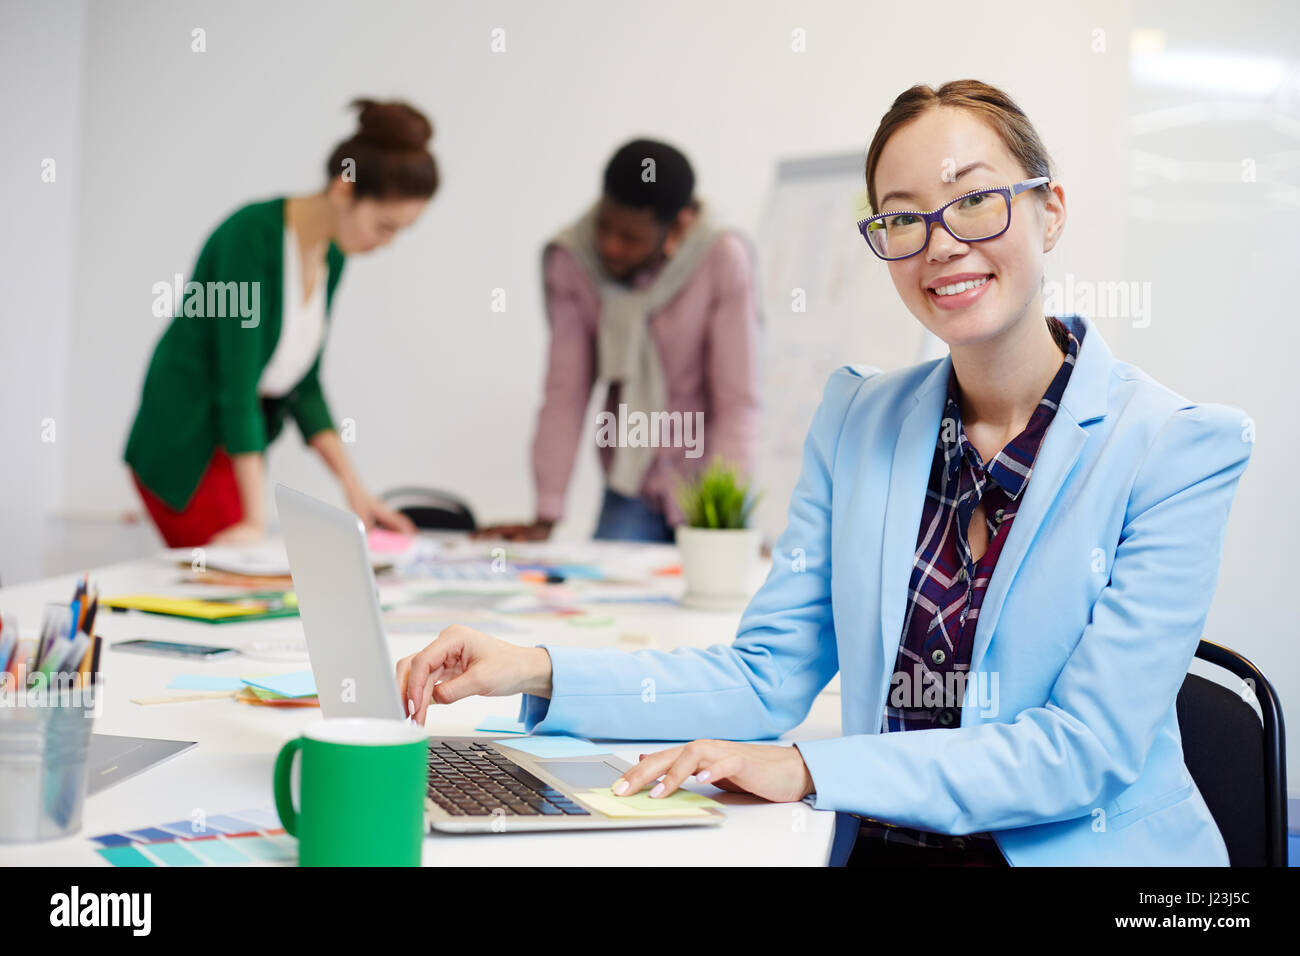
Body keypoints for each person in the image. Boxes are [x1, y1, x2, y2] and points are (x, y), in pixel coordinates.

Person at [396, 80, 1253, 867]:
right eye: (904, 217)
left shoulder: (1173, 447)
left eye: (976, 200)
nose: (941, 244)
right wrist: (534, 667)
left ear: (1050, 210)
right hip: (872, 848)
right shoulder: (859, 421)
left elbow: (1081, 751)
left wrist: (809, 766)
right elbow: (765, 676)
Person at [124, 99, 434, 547]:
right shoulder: (249, 238)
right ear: (344, 189)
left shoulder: (333, 254)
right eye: (384, 226)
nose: (386, 244)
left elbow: (303, 385)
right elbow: (237, 383)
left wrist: (357, 492)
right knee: (239, 585)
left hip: (233, 451)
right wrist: (254, 520)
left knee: (258, 574)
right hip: (184, 447)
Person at [476, 138, 761, 543]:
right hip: (631, 486)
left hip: (706, 487)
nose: (610, 245)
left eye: (630, 237)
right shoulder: (574, 259)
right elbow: (564, 394)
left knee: (716, 602)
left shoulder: (722, 258)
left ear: (678, 226)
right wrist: (546, 512)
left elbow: (737, 401)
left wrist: (719, 517)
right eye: (605, 226)